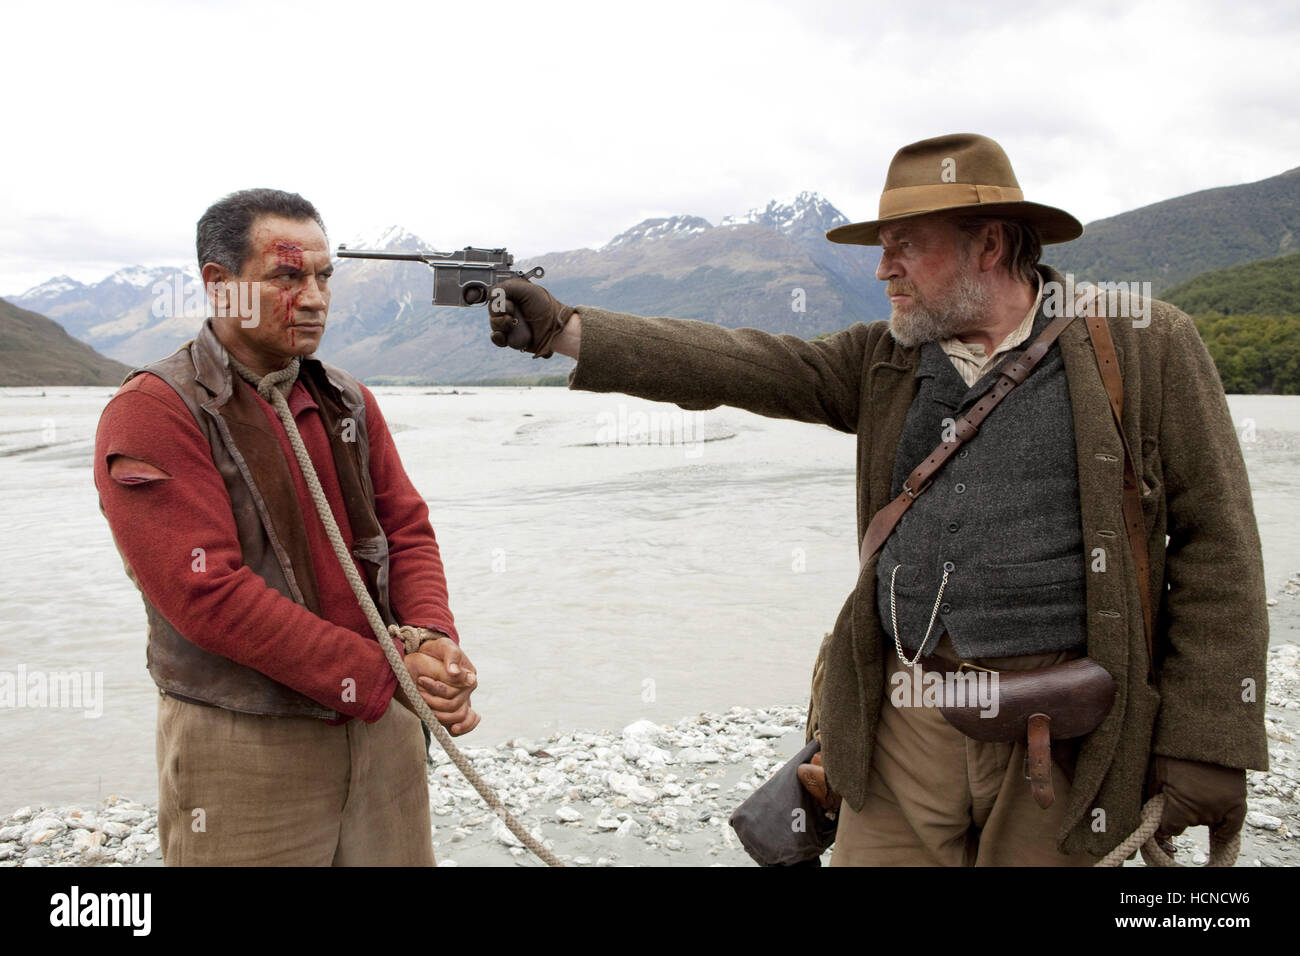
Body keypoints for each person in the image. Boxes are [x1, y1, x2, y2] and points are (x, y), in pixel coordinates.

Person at [485, 134, 1269, 865]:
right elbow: (742, 364)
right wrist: (568, 331)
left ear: (988, 244)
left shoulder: (1145, 343)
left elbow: (1218, 544)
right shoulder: (886, 359)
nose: (882, 269)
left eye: (904, 247)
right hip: (907, 705)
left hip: (1069, 720)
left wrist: (1208, 739)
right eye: (883, 248)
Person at [93, 188, 480, 866]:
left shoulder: (347, 399)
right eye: (287, 276)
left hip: (380, 726)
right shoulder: (154, 411)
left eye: (324, 276)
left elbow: (408, 529)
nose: (314, 298)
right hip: (246, 742)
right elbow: (207, 596)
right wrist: (391, 673)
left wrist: (435, 642)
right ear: (221, 286)